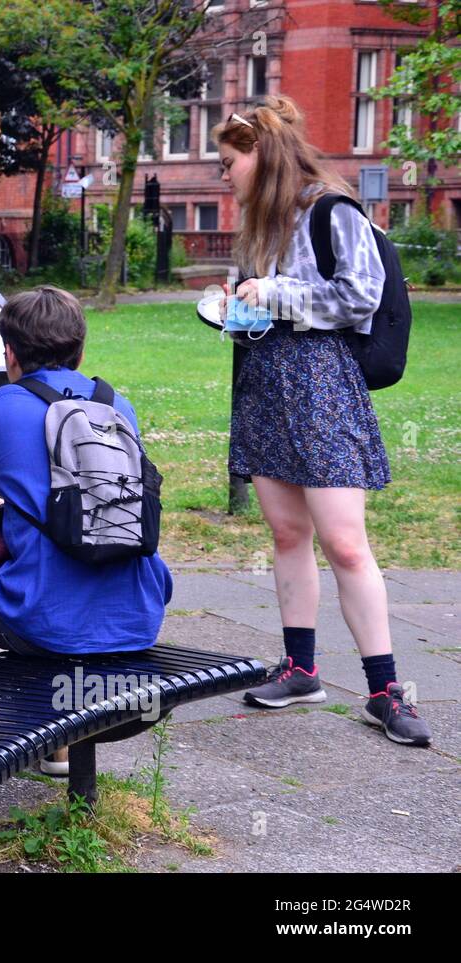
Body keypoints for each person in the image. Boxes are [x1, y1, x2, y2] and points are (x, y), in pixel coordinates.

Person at [211, 95, 429, 746]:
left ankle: (384, 690)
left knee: (345, 541)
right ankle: (302, 668)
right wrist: (233, 302)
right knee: (285, 533)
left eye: (228, 163)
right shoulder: (259, 221)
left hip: (322, 387)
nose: (224, 176)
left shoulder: (332, 211)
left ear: (260, 153)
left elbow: (360, 295)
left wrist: (273, 294)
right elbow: (258, 297)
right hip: (267, 384)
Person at [0, 285, 174, 774]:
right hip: (139, 615)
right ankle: (57, 745)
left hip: (43, 624)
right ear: (81, 351)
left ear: (10, 354)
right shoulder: (116, 405)